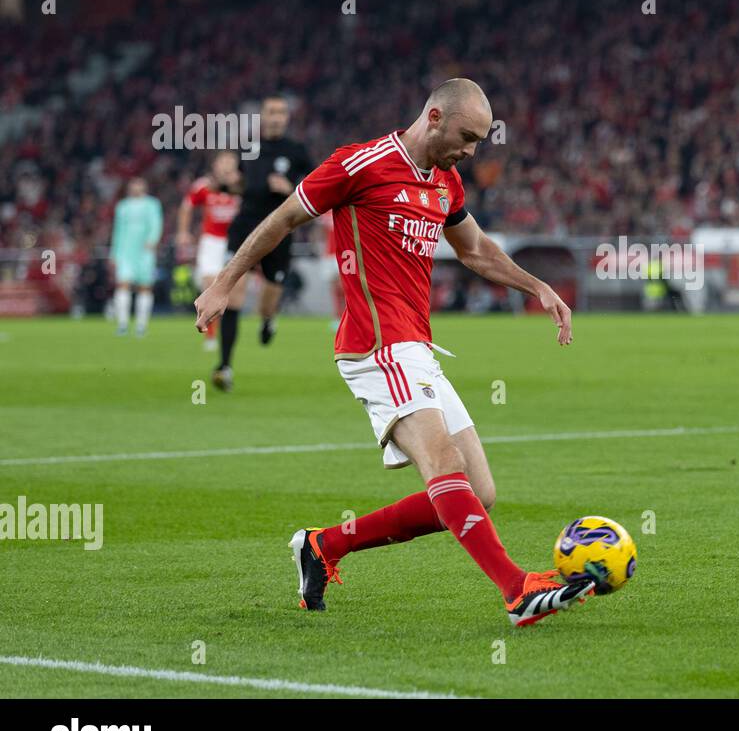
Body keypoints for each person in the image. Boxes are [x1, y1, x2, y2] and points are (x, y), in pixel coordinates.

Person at [193, 78, 594, 626]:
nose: (472, 151)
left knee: (479, 491)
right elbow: (285, 217)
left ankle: (323, 545)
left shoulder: (445, 182)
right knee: (446, 467)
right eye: (467, 136)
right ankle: (515, 589)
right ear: (434, 116)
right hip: (376, 345)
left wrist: (537, 286)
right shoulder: (361, 164)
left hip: (417, 346)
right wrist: (223, 282)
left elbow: (474, 249)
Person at [214, 95, 313, 390]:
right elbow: (237, 184)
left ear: (287, 118)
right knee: (233, 295)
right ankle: (224, 366)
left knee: (268, 301)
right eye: (271, 112)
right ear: (262, 116)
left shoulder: (296, 151)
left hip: (279, 231)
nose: (277, 117)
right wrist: (228, 181)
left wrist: (292, 188)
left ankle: (268, 320)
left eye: (282, 112)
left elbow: (319, 185)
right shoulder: (247, 149)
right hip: (244, 226)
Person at [176, 150, 241, 351]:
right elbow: (187, 206)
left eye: (231, 161)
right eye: (223, 161)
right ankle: (210, 334)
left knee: (233, 291)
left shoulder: (242, 185)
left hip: (236, 242)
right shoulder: (203, 186)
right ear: (215, 164)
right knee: (208, 284)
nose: (227, 165)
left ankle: (227, 333)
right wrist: (183, 232)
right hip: (211, 241)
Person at [109, 177, 163, 337]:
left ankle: (141, 325)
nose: (136, 187)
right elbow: (117, 230)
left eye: (139, 184)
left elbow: (156, 224)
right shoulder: (122, 206)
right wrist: (114, 253)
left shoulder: (152, 204)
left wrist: (153, 240)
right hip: (125, 251)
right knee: (122, 284)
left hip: (145, 251)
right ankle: (123, 324)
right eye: (133, 184)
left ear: (144, 186)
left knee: (145, 286)